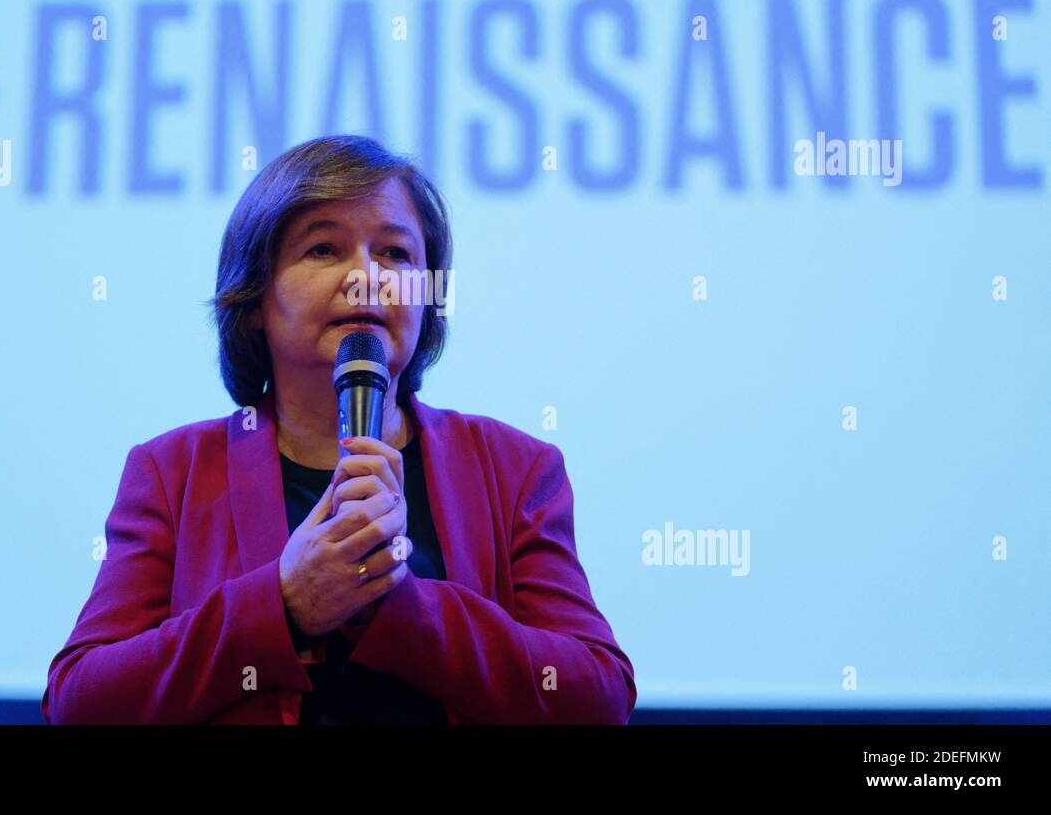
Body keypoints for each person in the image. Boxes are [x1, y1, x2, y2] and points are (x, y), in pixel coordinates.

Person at [41, 135, 637, 724]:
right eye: (324, 249)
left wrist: (403, 609)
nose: (366, 278)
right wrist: (282, 605)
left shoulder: (514, 468)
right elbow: (81, 702)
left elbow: (596, 696)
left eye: (397, 254)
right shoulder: (173, 472)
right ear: (254, 298)